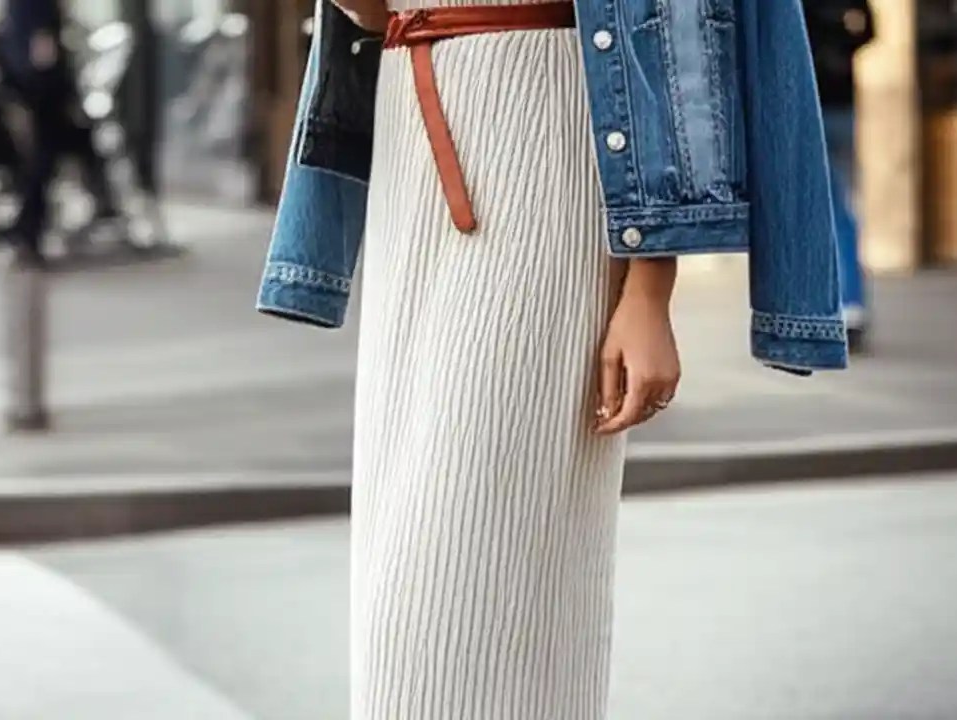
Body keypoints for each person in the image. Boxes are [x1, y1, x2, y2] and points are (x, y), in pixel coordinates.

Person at [258, 0, 848, 717]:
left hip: (546, 142)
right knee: (411, 580)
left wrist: (649, 286)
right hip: (411, 147)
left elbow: (676, 25)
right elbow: (375, 16)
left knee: (445, 594)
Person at [0, 0, 114, 263]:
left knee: (51, 159)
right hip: (43, 92)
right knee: (44, 161)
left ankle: (26, 228)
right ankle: (28, 231)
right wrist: (62, 92)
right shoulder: (38, 9)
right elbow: (42, 48)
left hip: (31, 86)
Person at [804, 0, 877, 352]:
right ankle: (851, 302)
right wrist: (843, 48)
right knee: (840, 207)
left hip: (811, 102)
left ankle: (831, 305)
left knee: (819, 207)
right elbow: (870, 30)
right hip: (842, 103)